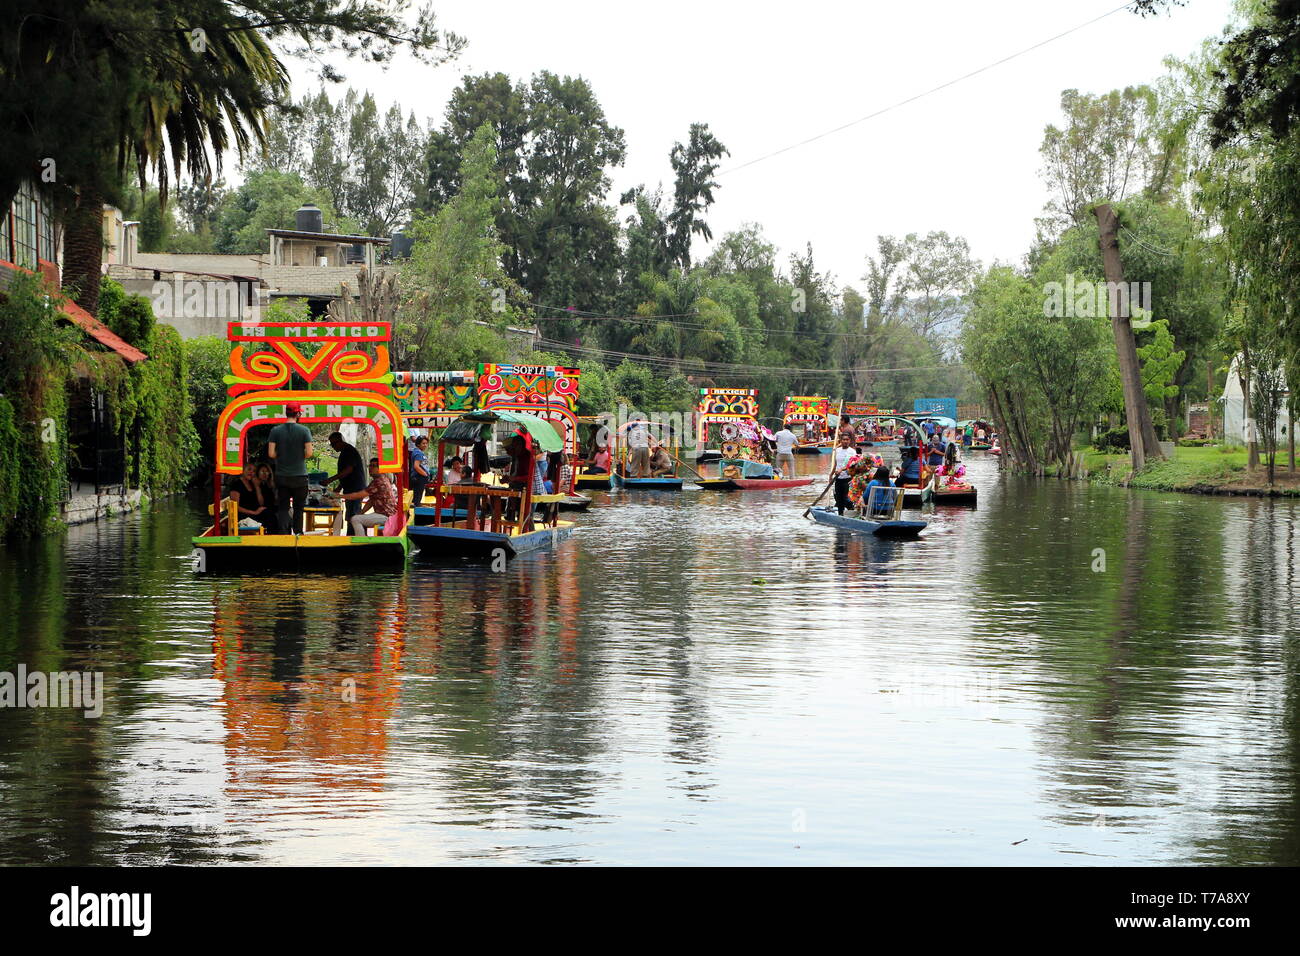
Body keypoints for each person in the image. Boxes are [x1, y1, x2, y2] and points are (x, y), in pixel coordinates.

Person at [267, 402, 313, 534]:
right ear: (298, 413)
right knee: (299, 508)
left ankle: (283, 534)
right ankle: (298, 533)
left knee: (283, 507)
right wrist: (298, 457)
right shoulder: (304, 430)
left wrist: (281, 456)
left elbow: (271, 454)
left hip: (281, 477)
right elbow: (309, 453)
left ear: (286, 413)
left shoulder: (275, 431)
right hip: (300, 477)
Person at [339, 459, 399, 537]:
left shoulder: (379, 481)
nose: (370, 468)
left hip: (386, 516)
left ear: (380, 468)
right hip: (386, 514)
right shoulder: (382, 479)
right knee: (359, 517)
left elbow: (358, 495)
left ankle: (361, 542)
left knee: (355, 519)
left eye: (373, 466)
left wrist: (340, 496)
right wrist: (362, 512)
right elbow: (371, 501)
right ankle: (364, 539)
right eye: (369, 466)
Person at [325, 431, 367, 527]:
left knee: (354, 516)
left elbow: (348, 470)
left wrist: (330, 480)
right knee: (350, 515)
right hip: (350, 488)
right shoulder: (345, 452)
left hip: (356, 488)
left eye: (333, 444)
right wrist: (339, 488)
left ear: (340, 441)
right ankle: (351, 534)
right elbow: (346, 475)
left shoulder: (349, 451)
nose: (333, 446)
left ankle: (355, 537)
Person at [229, 463, 277, 533]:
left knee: (271, 513)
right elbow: (235, 507)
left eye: (254, 471)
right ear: (243, 470)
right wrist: (254, 512)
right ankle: (272, 537)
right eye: (249, 469)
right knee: (269, 517)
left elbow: (261, 503)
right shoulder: (237, 484)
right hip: (244, 515)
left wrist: (257, 487)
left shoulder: (252, 483)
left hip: (254, 513)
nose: (251, 472)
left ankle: (275, 536)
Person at [830, 431, 859, 515]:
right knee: (839, 500)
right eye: (843, 440)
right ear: (841, 441)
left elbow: (852, 465)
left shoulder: (852, 452)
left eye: (847, 440)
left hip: (848, 479)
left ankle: (852, 513)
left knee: (847, 499)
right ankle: (840, 515)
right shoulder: (837, 451)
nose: (845, 441)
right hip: (838, 479)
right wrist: (830, 475)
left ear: (849, 441)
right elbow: (835, 464)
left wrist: (842, 469)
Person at [409, 435, 431, 505]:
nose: (425, 445)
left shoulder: (417, 452)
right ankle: (415, 512)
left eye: (426, 443)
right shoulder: (418, 453)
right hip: (419, 477)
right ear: (418, 444)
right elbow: (416, 466)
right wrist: (425, 475)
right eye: (423, 443)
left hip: (418, 477)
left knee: (417, 497)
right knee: (417, 498)